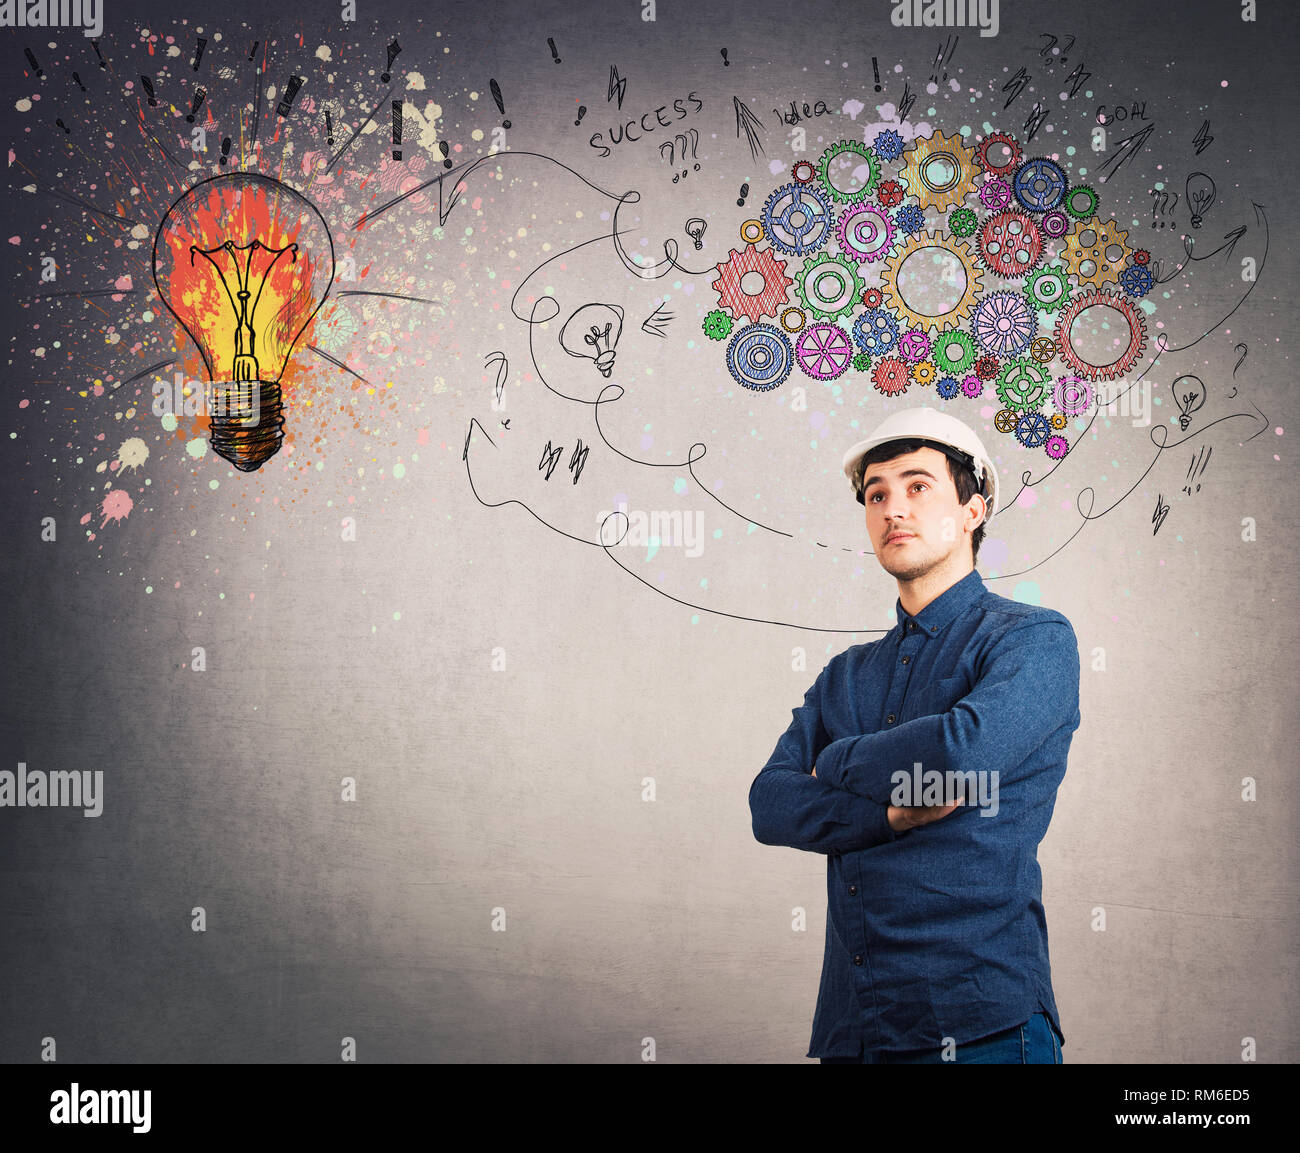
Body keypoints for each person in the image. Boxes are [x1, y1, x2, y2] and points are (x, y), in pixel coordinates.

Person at [748, 406, 1081, 1063]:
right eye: (877, 494)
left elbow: (963, 752)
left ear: (973, 509)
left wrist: (838, 759)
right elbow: (770, 803)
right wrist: (892, 816)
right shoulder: (844, 676)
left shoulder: (1033, 640)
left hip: (982, 1022)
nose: (893, 508)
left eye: (918, 485)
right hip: (858, 1027)